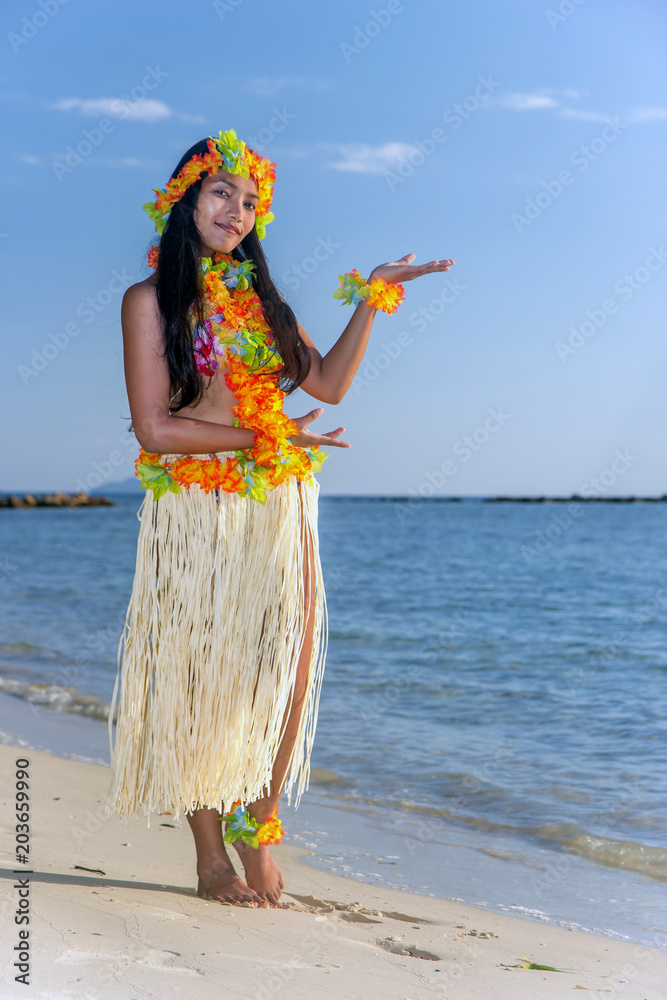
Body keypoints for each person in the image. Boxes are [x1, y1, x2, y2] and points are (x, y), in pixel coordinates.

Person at [104, 128, 454, 909]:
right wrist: (271, 432)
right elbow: (155, 429)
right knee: (197, 673)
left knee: (286, 675)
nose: (236, 210)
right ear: (183, 196)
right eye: (222, 191)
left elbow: (325, 386)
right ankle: (206, 857)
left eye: (251, 201)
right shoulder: (148, 301)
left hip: (278, 504)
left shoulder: (265, 305)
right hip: (197, 508)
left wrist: (371, 297)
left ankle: (254, 822)